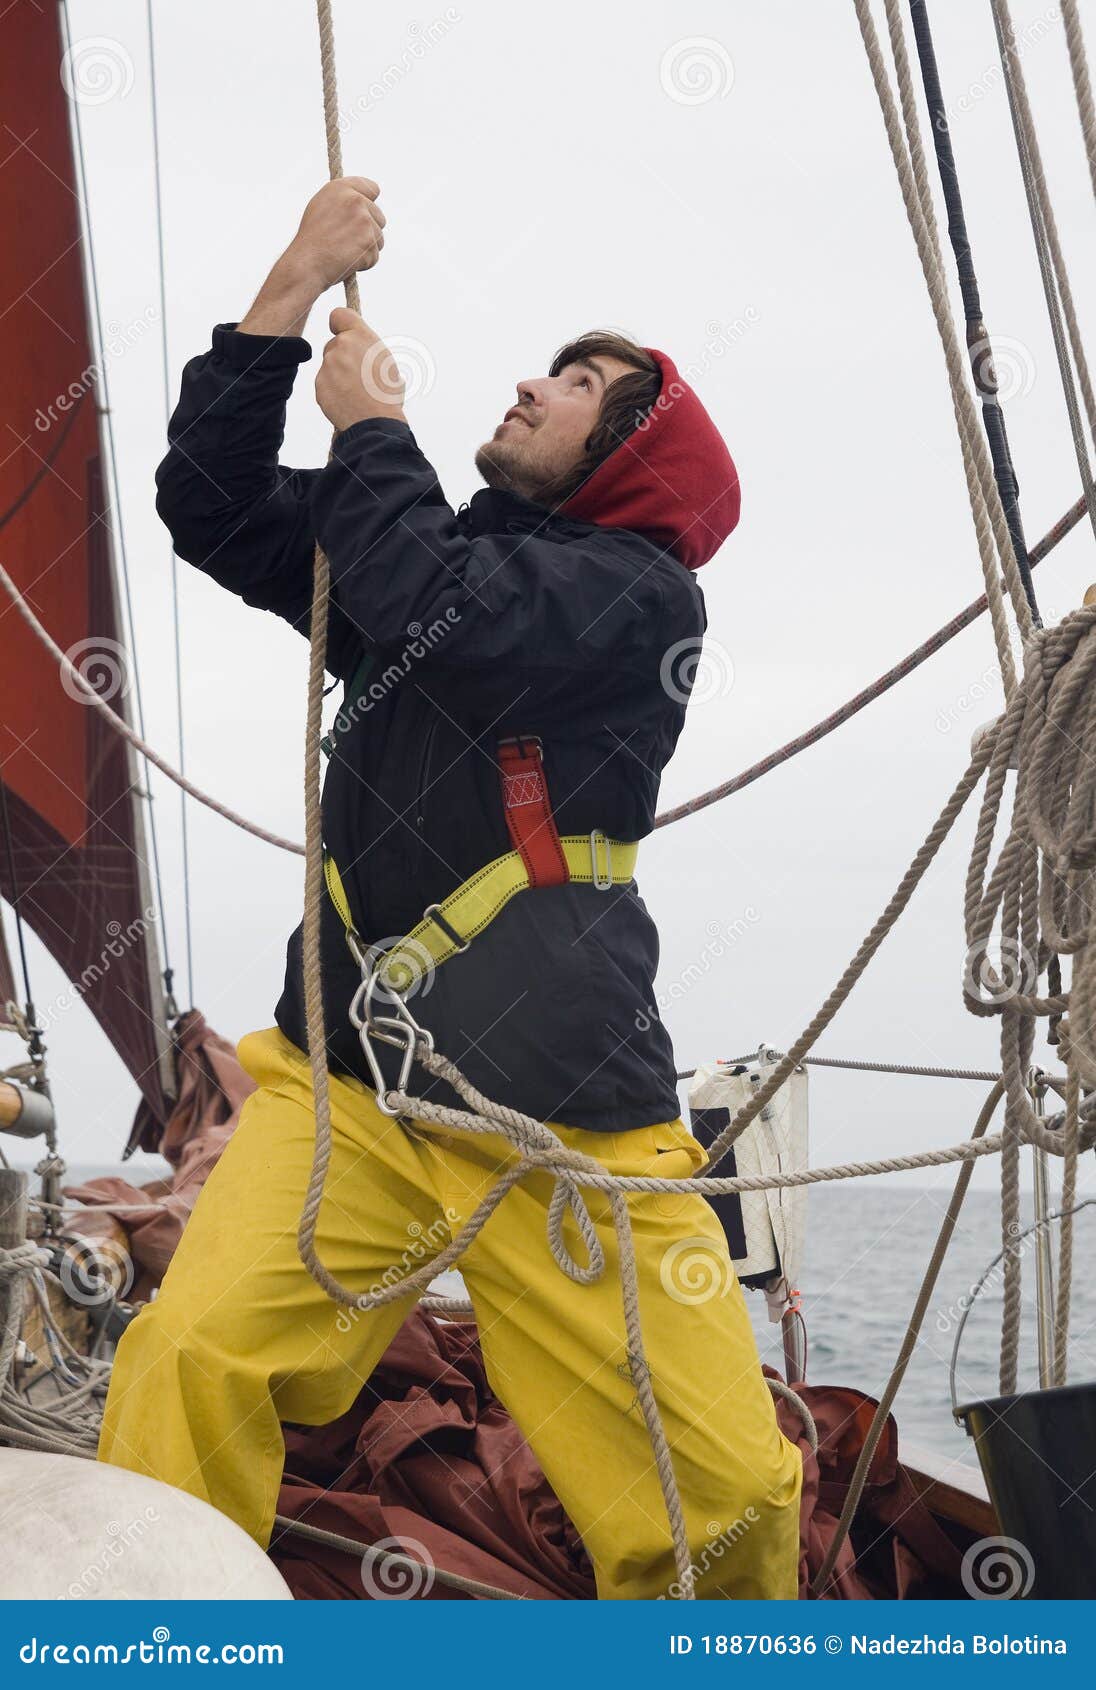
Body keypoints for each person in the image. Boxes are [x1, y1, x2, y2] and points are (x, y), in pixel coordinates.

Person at [98, 177, 803, 1599]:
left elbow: (446, 621)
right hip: (351, 1083)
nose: (533, 385)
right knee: (190, 1357)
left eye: (580, 384)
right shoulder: (423, 540)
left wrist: (373, 433)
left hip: (561, 1125)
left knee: (721, 1493)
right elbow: (210, 500)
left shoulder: (636, 598)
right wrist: (291, 288)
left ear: (630, 459)